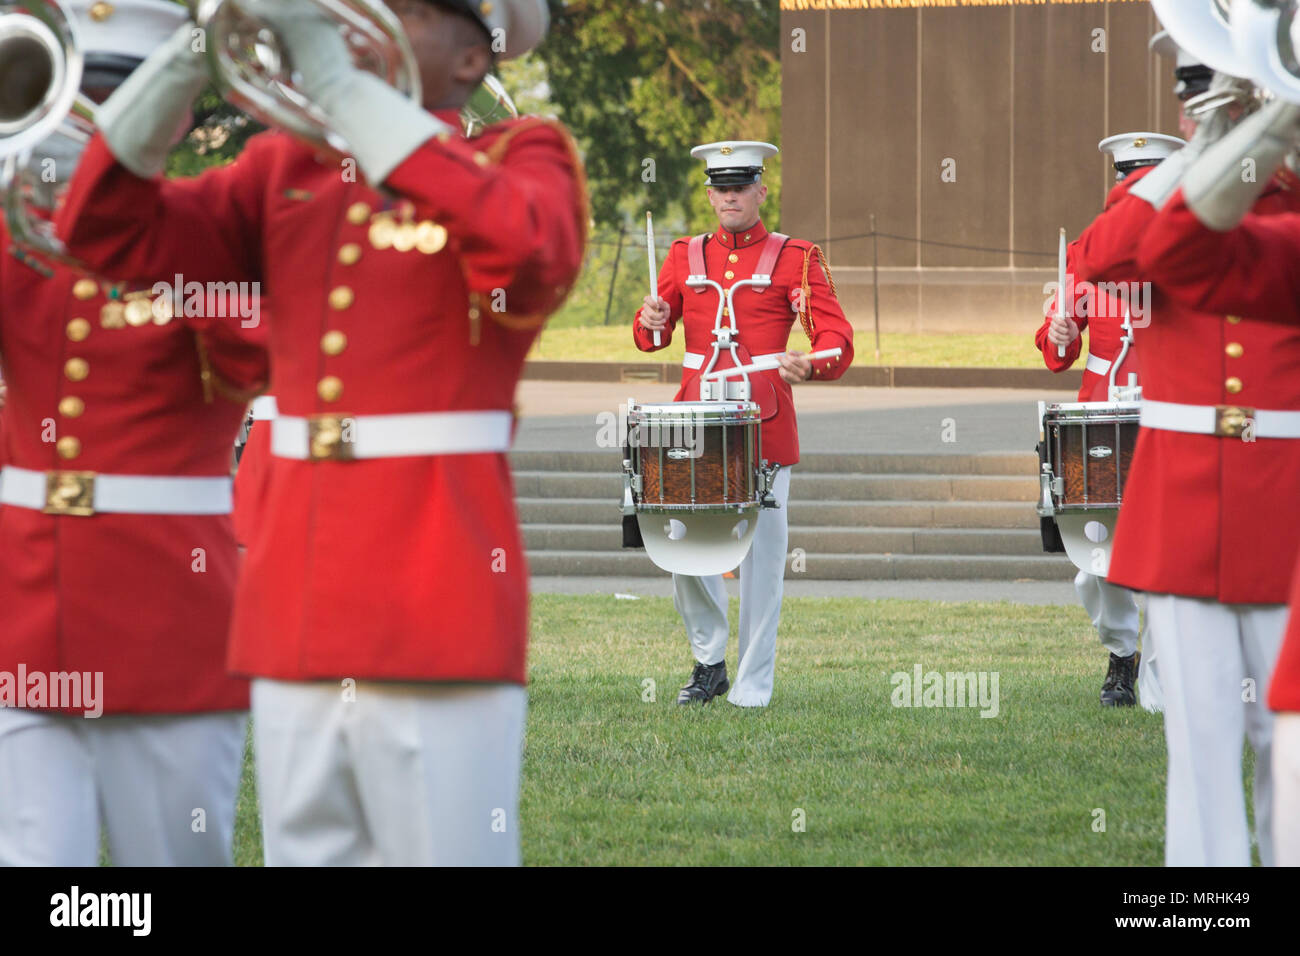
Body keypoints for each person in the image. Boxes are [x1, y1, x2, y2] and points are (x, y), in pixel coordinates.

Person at [57, 0, 585, 865]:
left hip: (434, 595)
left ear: (469, 56)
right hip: (294, 601)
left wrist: (343, 89)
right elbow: (102, 227)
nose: (354, 18)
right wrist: (192, 57)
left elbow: (527, 252)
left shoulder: (516, 156)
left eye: (402, 9)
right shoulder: (282, 170)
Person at [0, 0, 268, 866]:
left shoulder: (214, 228)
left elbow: (254, 354)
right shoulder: (16, 234)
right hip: (26, 613)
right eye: (82, 92)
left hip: (169, 616)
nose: (95, 117)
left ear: (176, 108)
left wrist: (133, 228)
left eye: (121, 94)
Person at [1080, 51, 1300, 862]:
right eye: (1199, 104)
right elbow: (1102, 259)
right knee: (1199, 730)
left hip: (1286, 499)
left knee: (1292, 735)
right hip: (1181, 499)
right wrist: (1193, 160)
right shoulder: (1162, 192)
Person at [634, 141, 855, 708]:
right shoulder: (683, 254)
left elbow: (836, 338)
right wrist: (651, 316)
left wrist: (813, 361)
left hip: (763, 423)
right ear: (709, 194)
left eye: (741, 186)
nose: (729, 196)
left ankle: (754, 685)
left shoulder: (796, 257)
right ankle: (709, 662)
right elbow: (653, 335)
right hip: (693, 421)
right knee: (682, 543)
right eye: (720, 187)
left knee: (762, 558)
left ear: (761, 191)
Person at [1035, 131, 1182, 710]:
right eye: (1126, 178)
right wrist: (1060, 331)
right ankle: (1123, 652)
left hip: (1168, 409)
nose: (1133, 188)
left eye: (1145, 177)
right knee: (1094, 560)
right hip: (1099, 412)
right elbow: (1055, 348)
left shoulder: (1190, 249)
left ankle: (1165, 674)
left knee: (1170, 549)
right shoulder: (1087, 250)